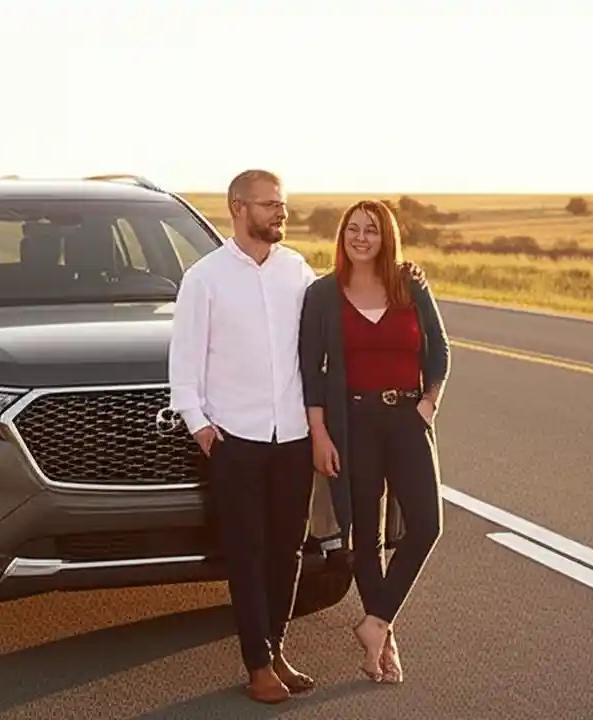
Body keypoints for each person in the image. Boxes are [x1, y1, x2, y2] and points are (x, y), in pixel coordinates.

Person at [168, 169, 319, 704]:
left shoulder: (297, 270)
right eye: (270, 204)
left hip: (294, 436)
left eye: (283, 204)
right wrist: (203, 429)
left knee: (288, 550)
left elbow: (333, 319)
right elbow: (183, 364)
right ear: (238, 208)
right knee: (247, 552)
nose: (282, 213)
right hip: (235, 438)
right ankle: (256, 664)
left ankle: (275, 650)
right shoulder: (205, 278)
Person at [298, 199, 451, 684]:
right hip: (354, 423)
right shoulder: (323, 293)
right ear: (342, 236)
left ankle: (375, 622)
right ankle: (384, 636)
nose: (361, 237)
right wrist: (318, 431)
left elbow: (441, 349)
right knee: (367, 537)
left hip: (407, 418)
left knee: (427, 524)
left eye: (371, 230)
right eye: (353, 229)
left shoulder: (411, 284)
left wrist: (428, 403)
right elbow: (310, 369)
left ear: (387, 237)